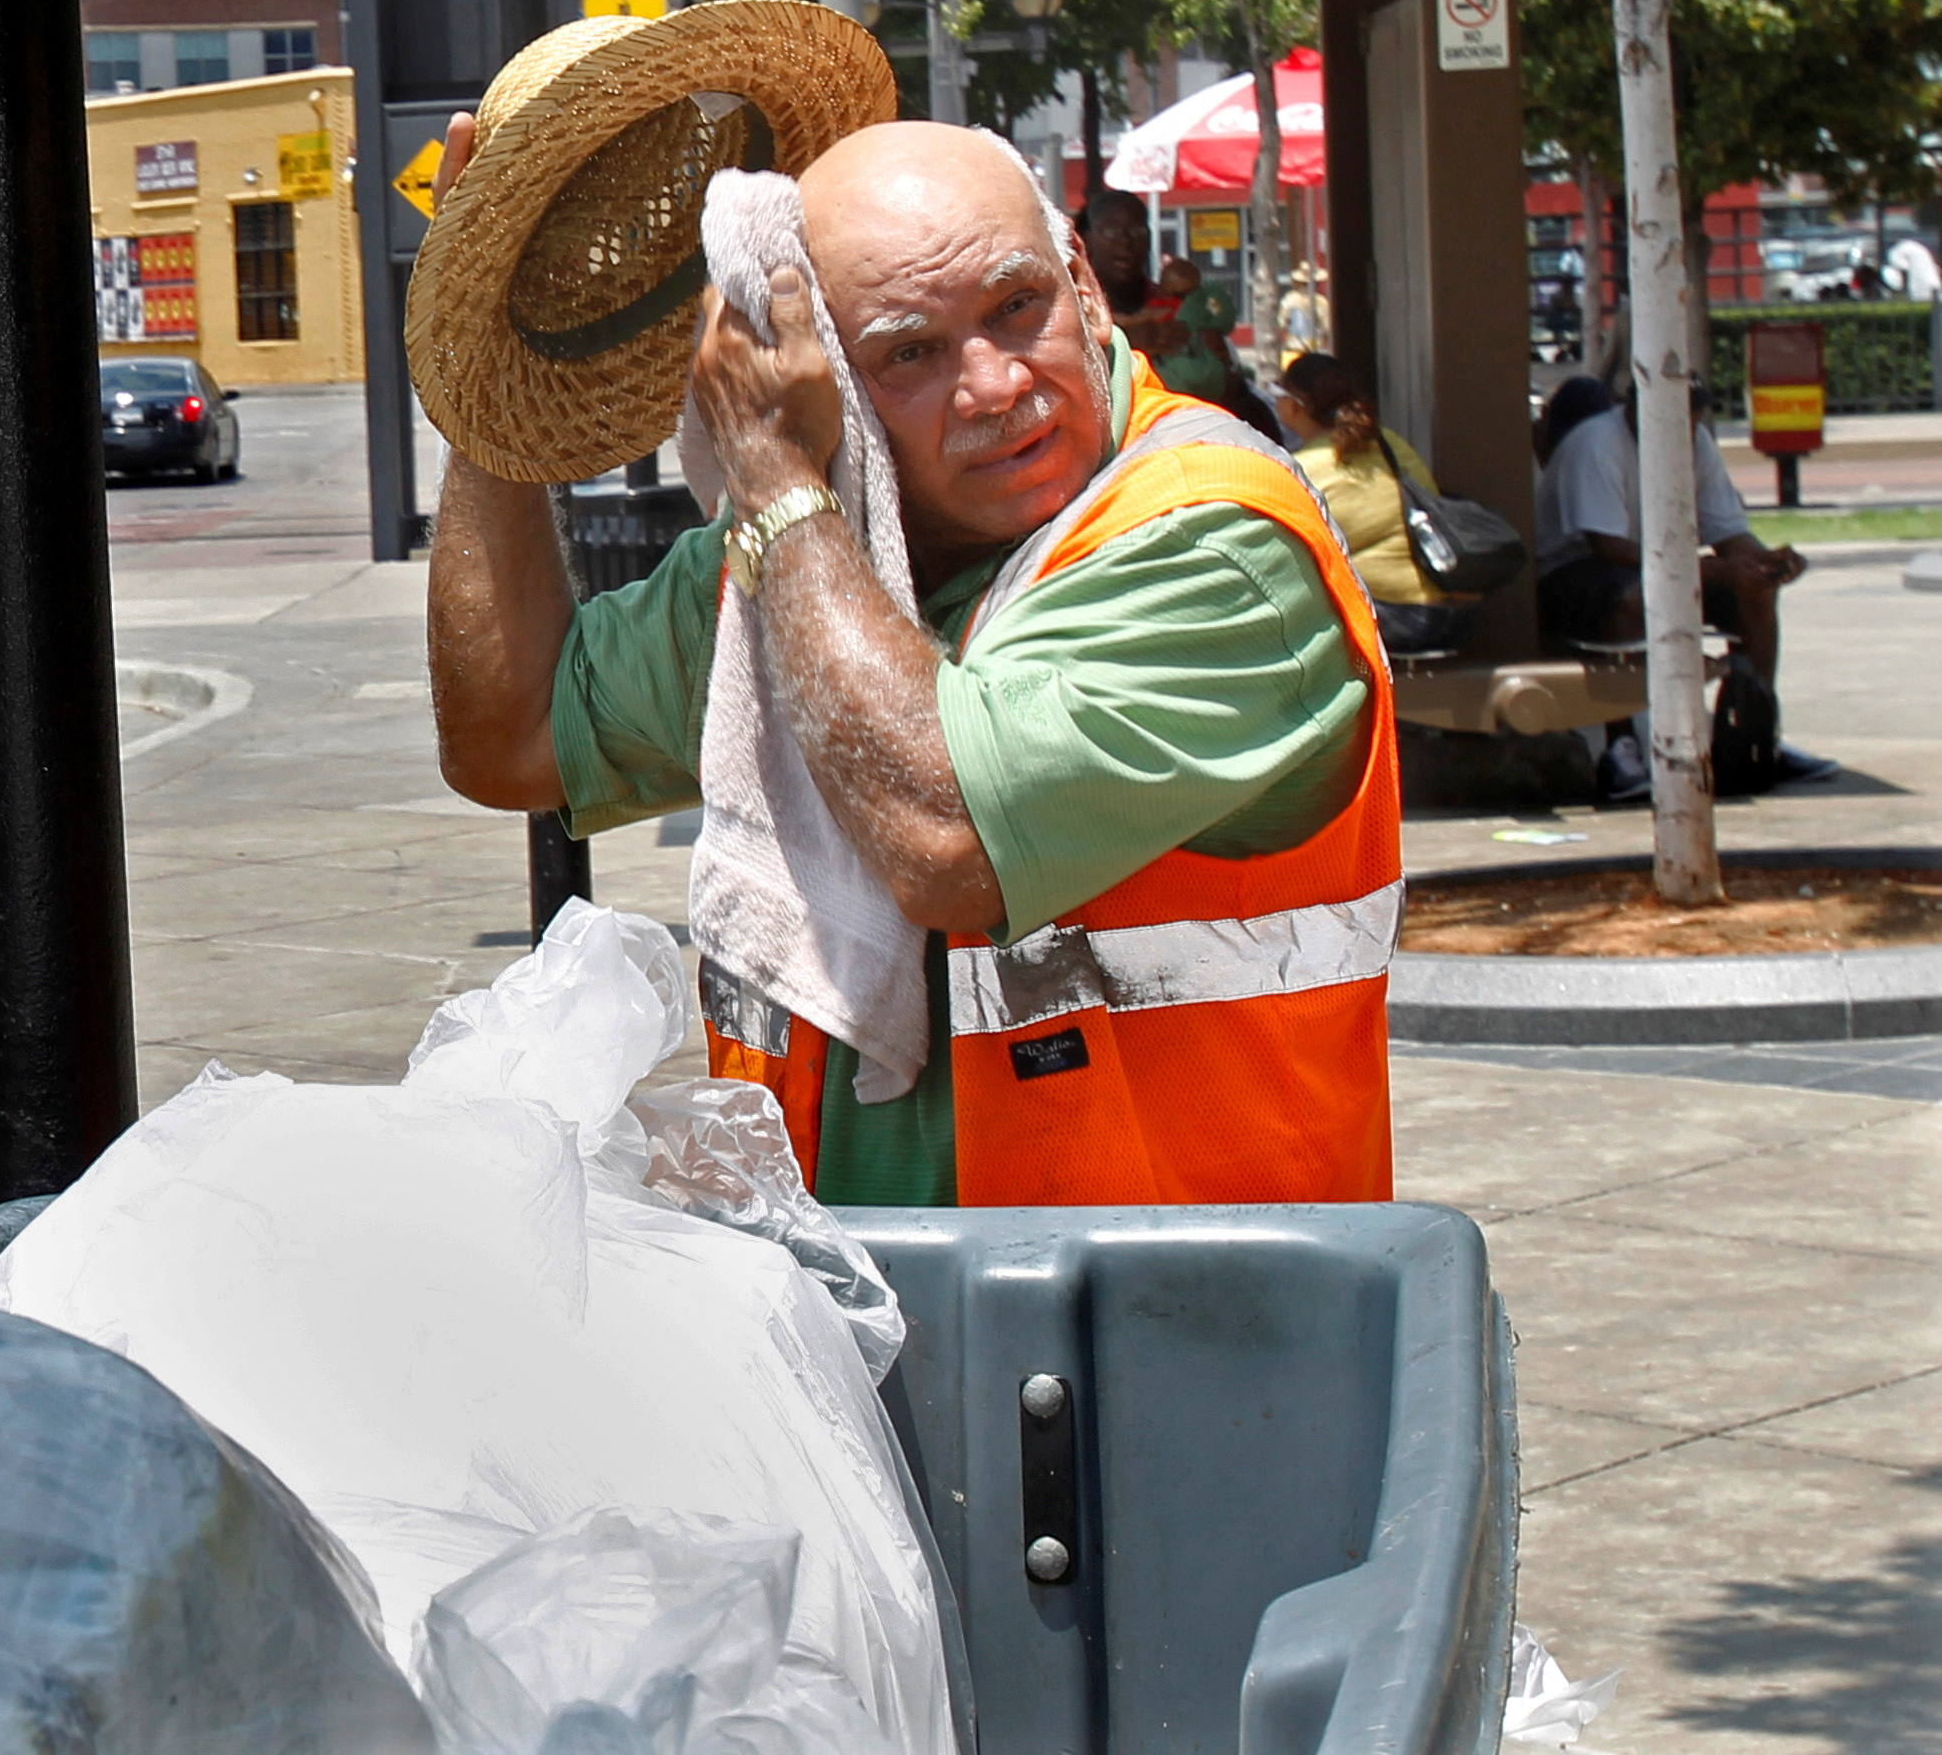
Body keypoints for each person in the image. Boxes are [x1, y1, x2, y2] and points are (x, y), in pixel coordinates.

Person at [428, 113, 1400, 1213]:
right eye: (910, 354)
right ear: (819, 379)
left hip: (1188, 1338)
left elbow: (945, 841)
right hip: (870, 1335)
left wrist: (776, 481)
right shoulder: (802, 553)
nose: (993, 387)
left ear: (1081, 282)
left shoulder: (1215, 538)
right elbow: (506, 737)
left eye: (1016, 308)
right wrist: (482, 366)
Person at [1535, 382, 1835, 796]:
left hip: (1662, 565)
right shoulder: (1597, 444)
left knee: (1756, 590)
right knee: (1632, 598)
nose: (1685, 435)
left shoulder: (1696, 442)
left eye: (1690, 425)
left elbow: (1727, 530)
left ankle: (1755, 731)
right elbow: (1609, 548)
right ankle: (1622, 748)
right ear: (1637, 413)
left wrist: (1764, 563)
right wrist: (1712, 570)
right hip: (1573, 572)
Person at [1273, 354, 1482, 659]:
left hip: (1396, 617)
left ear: (1293, 406)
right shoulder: (1390, 444)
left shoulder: (1301, 470)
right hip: (1457, 611)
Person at [1077, 188, 1283, 441]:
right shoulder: (1075, 306)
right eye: (1110, 232)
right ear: (1085, 239)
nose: (1126, 241)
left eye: (1138, 231)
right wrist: (1126, 342)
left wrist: (1217, 359)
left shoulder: (1178, 302)